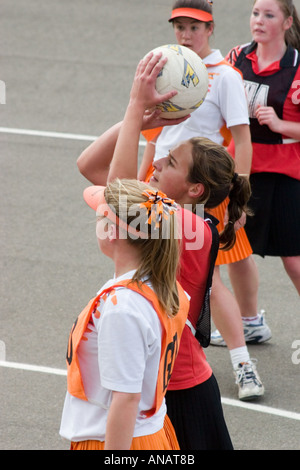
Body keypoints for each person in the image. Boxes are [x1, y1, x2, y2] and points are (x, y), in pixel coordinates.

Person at [76, 51, 254, 449]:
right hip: (154, 378)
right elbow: (89, 165)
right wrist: (137, 123)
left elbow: (119, 195)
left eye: (170, 161)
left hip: (182, 388)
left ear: (195, 190)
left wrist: (136, 106)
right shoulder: (162, 208)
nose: (156, 160)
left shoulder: (188, 226)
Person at [138, 0, 268, 399]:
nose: (185, 34)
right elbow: (155, 135)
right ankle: (167, 351)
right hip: (162, 183)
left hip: (199, 188)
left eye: (194, 27)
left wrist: (236, 198)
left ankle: (242, 363)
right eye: (179, 26)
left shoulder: (225, 76)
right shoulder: (167, 66)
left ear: (210, 29)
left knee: (209, 279)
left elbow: (241, 140)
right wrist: (143, 183)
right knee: (158, 272)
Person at [60, 177, 191, 450]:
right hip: (148, 432)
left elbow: (126, 398)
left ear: (112, 232)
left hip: (117, 440)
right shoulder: (161, 286)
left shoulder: (123, 308)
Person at [226, 0, 300, 296]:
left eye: (269, 15)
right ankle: (250, 321)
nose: (259, 20)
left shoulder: (296, 68)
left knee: (294, 261)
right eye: (256, 13)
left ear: (287, 23)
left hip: (285, 175)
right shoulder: (237, 58)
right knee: (233, 250)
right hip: (241, 169)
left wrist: (282, 125)